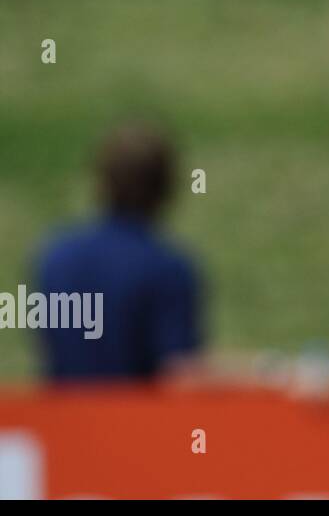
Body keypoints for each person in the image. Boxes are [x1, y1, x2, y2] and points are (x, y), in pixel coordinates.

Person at [34, 123, 203, 382]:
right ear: (165, 187)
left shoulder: (54, 258)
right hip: (134, 420)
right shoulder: (168, 268)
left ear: (103, 181)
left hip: (63, 418)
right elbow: (178, 371)